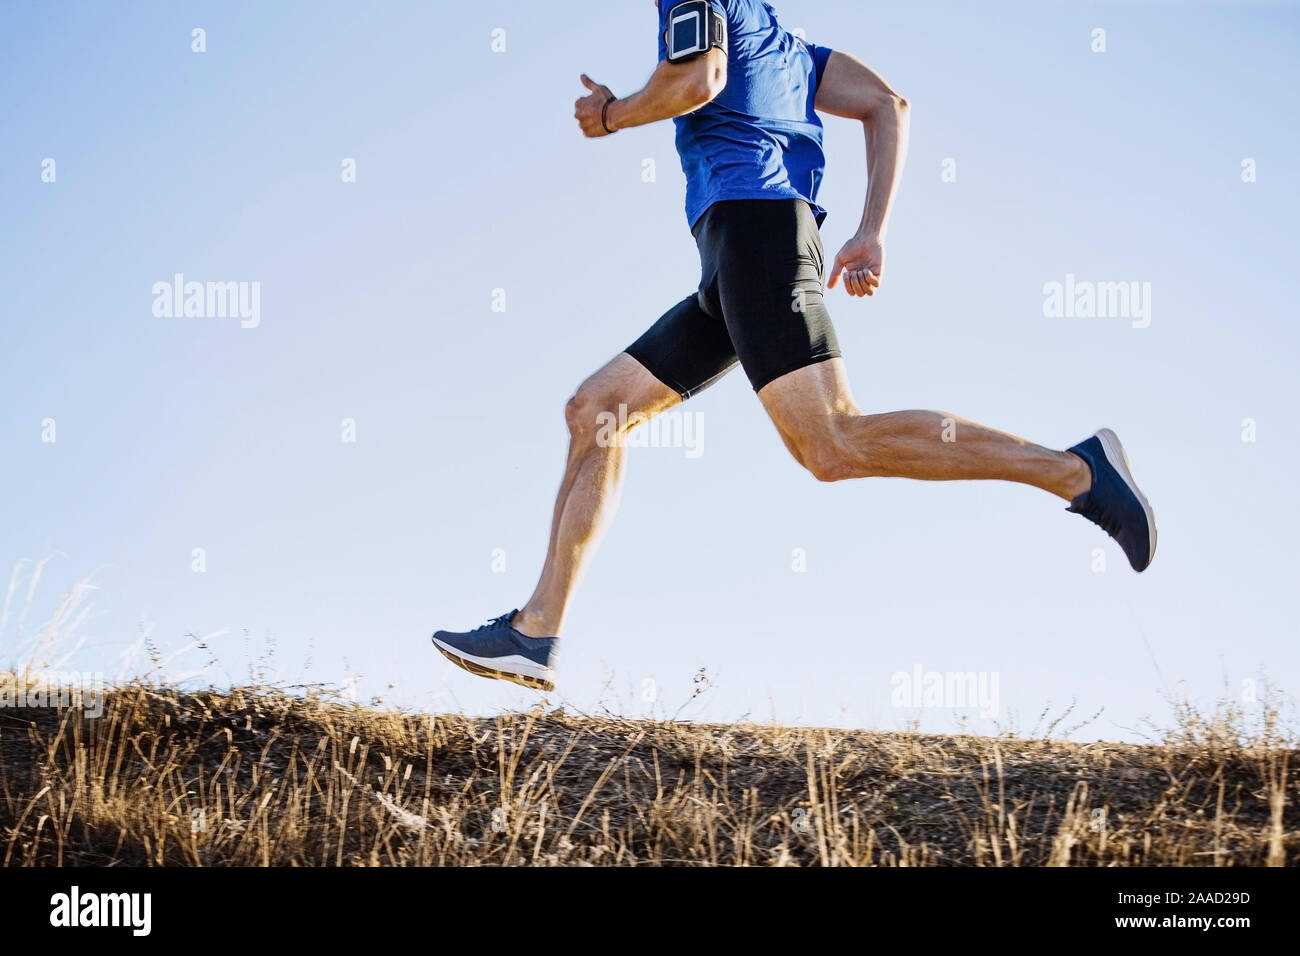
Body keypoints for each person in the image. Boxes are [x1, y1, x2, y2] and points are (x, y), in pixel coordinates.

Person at [432, 0, 1156, 692]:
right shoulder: (790, 49)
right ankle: (536, 632)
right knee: (598, 411)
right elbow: (889, 104)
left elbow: (697, 80)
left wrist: (611, 115)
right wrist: (871, 231)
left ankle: (1076, 472)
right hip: (735, 258)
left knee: (831, 441)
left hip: (758, 236)